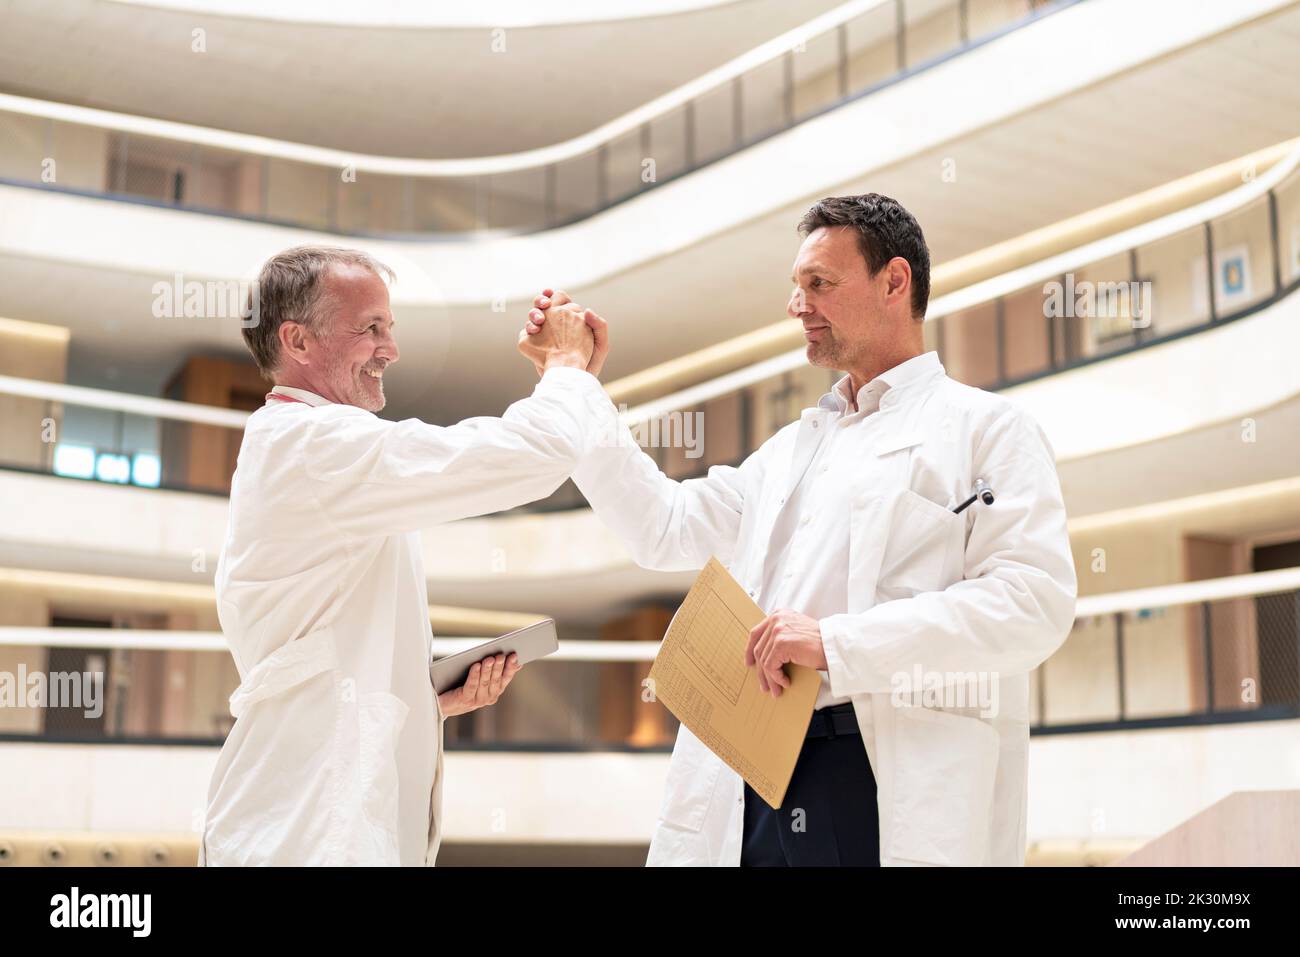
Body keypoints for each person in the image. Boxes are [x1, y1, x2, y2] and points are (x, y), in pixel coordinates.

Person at [520, 193, 1078, 866]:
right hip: (754, 770)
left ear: (894, 282)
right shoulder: (791, 449)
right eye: (796, 286)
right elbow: (661, 526)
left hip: (868, 771)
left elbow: (1032, 603)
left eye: (819, 284)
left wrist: (833, 642)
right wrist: (573, 384)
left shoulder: (988, 430)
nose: (797, 305)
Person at [202, 245, 607, 866]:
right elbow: (530, 458)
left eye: (390, 328)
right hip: (303, 839)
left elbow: (328, 663)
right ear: (298, 340)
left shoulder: (309, 453)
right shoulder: (314, 444)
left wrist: (426, 702)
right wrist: (566, 365)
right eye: (371, 328)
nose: (390, 349)